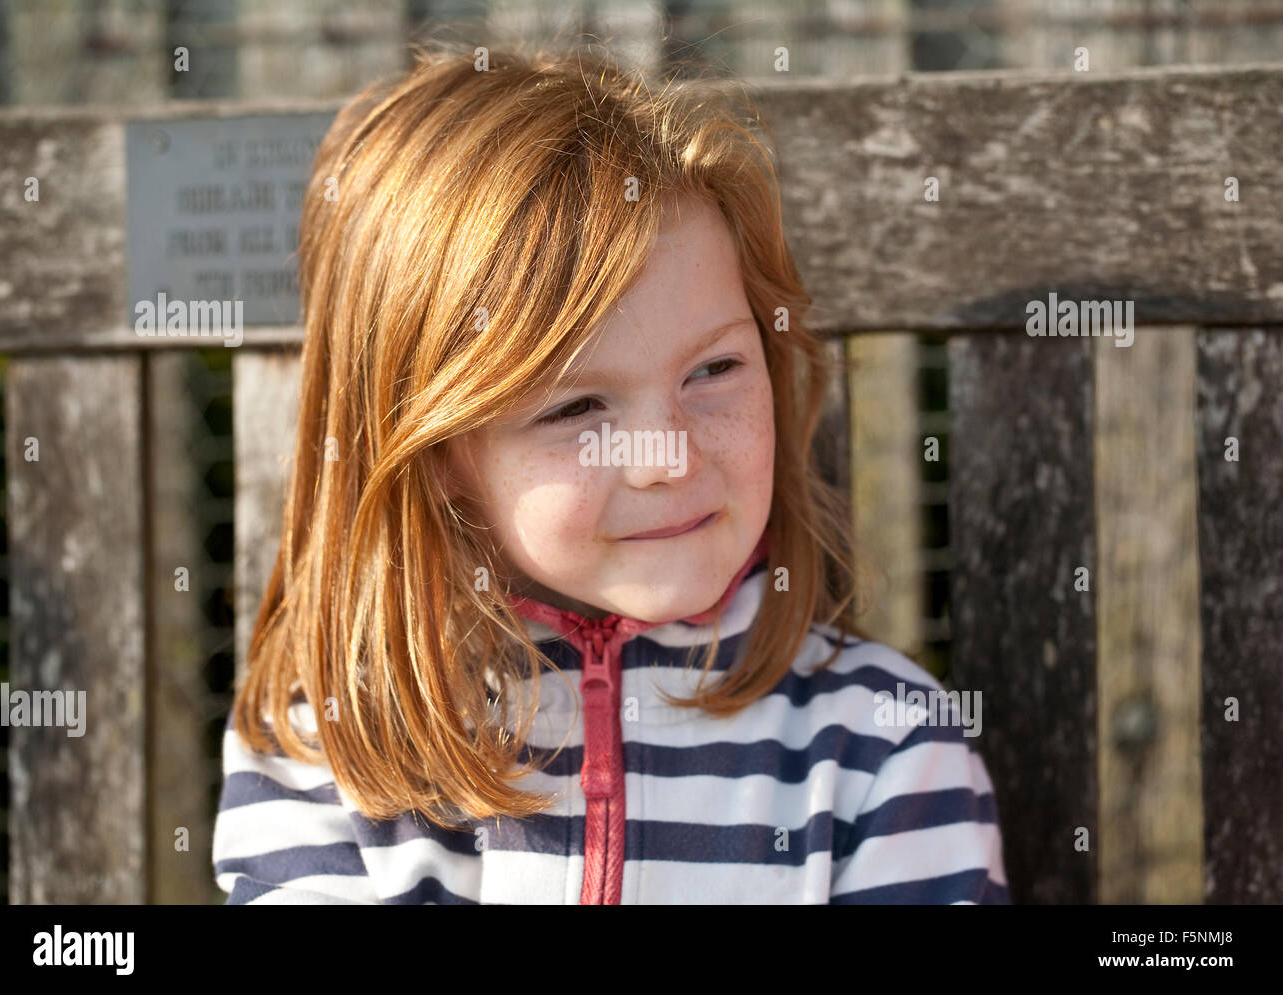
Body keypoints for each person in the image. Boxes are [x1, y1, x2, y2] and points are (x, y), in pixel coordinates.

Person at [212, 39, 1010, 904]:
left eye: (713, 371)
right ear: (435, 451)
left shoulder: (881, 747)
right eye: (575, 408)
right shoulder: (334, 746)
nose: (667, 458)